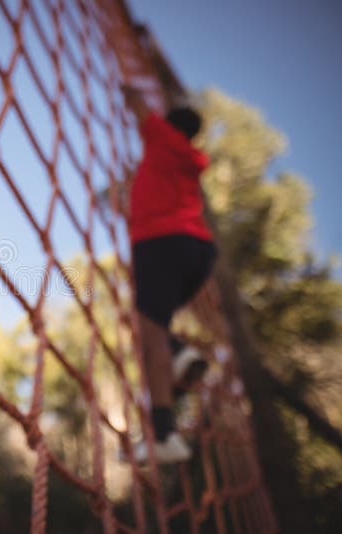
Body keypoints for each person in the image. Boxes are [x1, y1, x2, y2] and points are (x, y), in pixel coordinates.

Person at [121, 85, 218, 464]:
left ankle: (163, 433)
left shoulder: (163, 138)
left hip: (159, 242)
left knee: (150, 339)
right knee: (151, 328)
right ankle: (179, 359)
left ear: (171, 126)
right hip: (198, 251)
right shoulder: (190, 157)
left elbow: (138, 105)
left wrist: (129, 88)